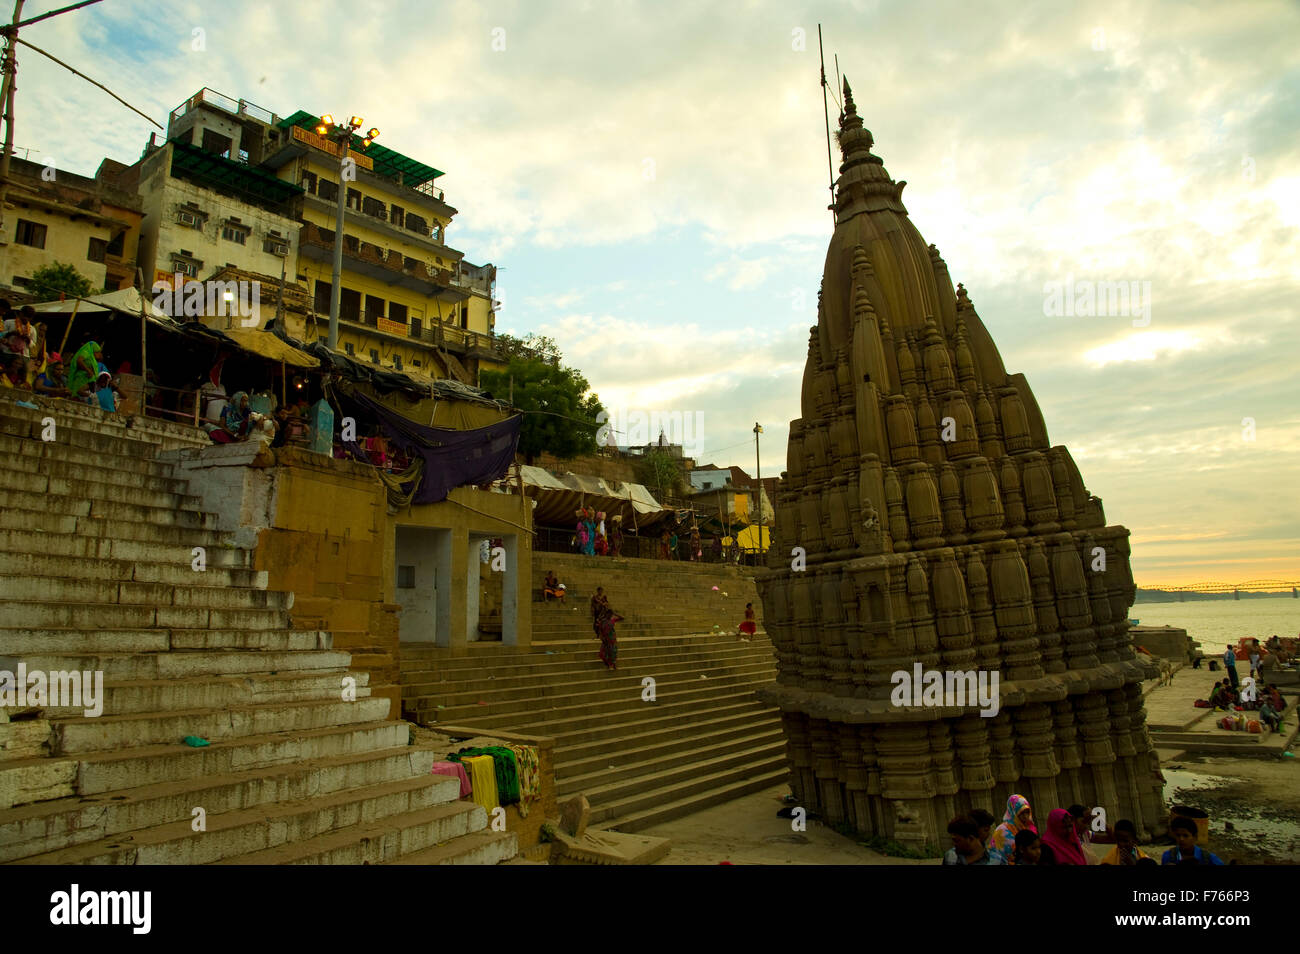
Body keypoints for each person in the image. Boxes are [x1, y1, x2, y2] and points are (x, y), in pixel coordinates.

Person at [989, 794, 1035, 864]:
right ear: (1013, 812)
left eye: (1027, 812)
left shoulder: (1029, 828)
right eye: (1022, 813)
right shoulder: (1003, 831)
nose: (1026, 816)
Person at [594, 604, 623, 671]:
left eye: (610, 614)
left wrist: (615, 613)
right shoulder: (603, 621)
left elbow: (622, 618)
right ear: (606, 614)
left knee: (613, 651)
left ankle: (614, 665)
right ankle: (608, 665)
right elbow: (600, 629)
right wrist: (601, 637)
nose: (609, 615)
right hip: (605, 639)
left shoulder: (612, 620)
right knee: (604, 652)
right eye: (609, 614)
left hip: (612, 638)